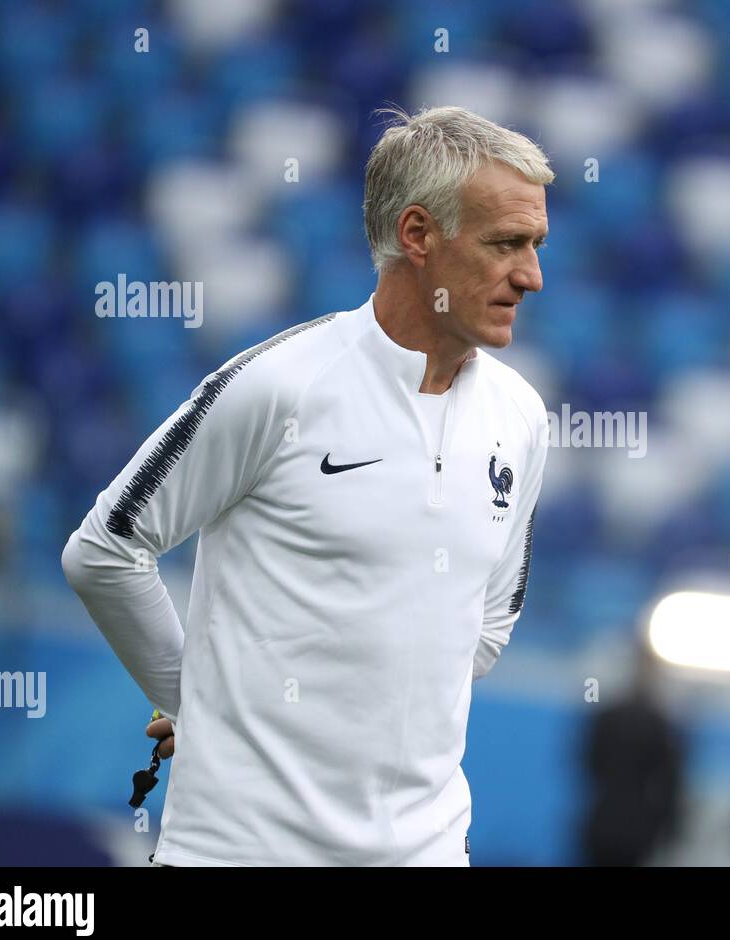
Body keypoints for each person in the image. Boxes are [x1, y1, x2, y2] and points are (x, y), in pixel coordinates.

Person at [61, 105, 553, 866]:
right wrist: (195, 698)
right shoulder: (280, 386)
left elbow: (481, 631)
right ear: (418, 236)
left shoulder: (520, 417)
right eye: (505, 244)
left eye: (536, 245)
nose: (531, 276)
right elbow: (105, 549)